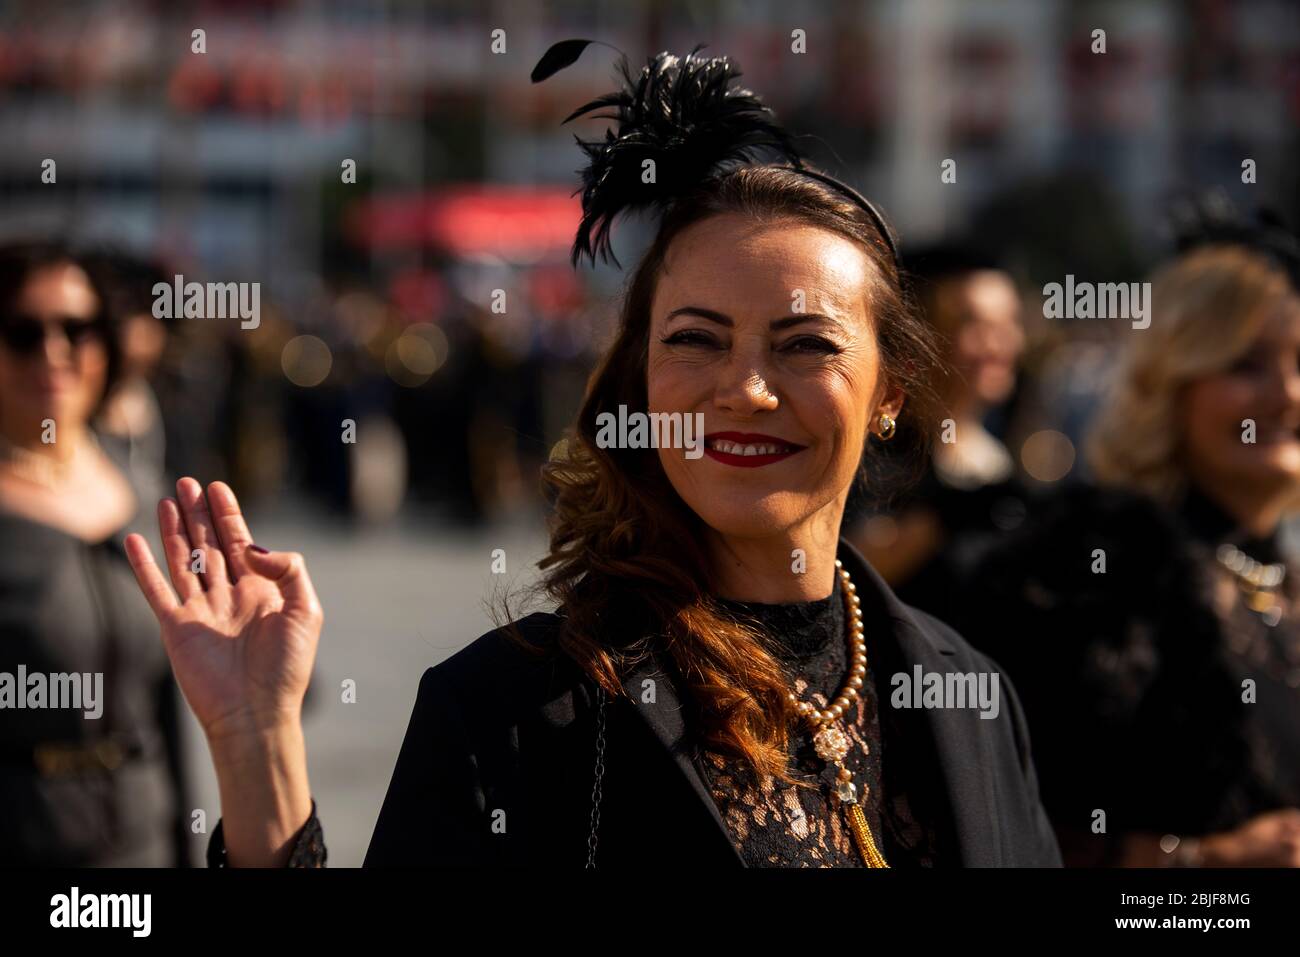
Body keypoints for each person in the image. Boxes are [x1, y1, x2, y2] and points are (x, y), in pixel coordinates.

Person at [123, 44, 1061, 868]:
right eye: (695, 339)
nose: (746, 389)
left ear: (891, 392)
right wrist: (257, 755)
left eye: (805, 343)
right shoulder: (514, 709)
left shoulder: (972, 693)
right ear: (640, 377)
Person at [956, 209, 1300, 866]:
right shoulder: (1085, 571)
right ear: (1168, 381)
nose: (1286, 394)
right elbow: (997, 825)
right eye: (1246, 364)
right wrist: (1203, 858)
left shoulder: (1284, 580)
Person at [0, 240, 190, 866]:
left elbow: (168, 710)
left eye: (77, 329)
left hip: (142, 835)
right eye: (23, 333)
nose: (54, 353)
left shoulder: (137, 489)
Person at [848, 243, 1029, 613]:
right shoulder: (876, 444)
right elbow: (848, 567)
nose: (1001, 344)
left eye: (1009, 323)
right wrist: (939, 519)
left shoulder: (994, 450)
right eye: (973, 324)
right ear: (920, 332)